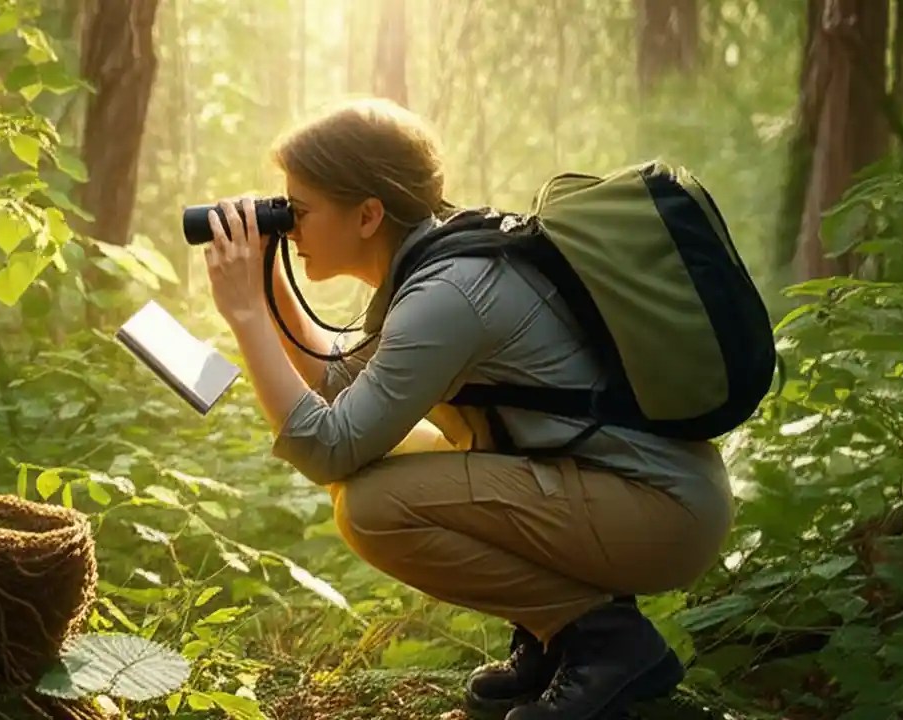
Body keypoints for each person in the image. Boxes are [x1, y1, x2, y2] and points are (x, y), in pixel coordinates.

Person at [201, 98, 735, 720]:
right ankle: (557, 640)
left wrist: (243, 313)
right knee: (379, 471)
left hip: (658, 510)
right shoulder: (438, 265)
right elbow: (342, 386)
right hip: (627, 489)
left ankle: (603, 641)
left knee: (373, 507)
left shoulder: (449, 294)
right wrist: (267, 291)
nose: (288, 229)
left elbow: (328, 446)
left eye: (300, 211)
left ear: (369, 214)